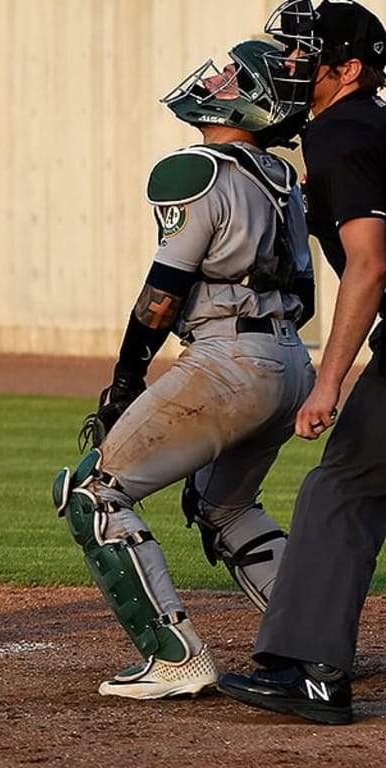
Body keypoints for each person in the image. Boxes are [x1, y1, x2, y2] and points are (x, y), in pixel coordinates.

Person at [51, 37, 317, 700]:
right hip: (289, 359)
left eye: (234, 75)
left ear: (254, 102)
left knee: (94, 492)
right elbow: (308, 294)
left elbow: (162, 293)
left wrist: (125, 377)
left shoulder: (194, 169)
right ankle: (312, 643)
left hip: (231, 360)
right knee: (223, 505)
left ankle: (176, 658)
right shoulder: (282, 177)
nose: (218, 78)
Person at [218, 0, 386, 725]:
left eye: (304, 54)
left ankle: (315, 674)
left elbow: (369, 267)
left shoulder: (342, 131)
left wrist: (328, 380)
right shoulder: (367, 124)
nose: (290, 64)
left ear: (346, 70)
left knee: (341, 490)